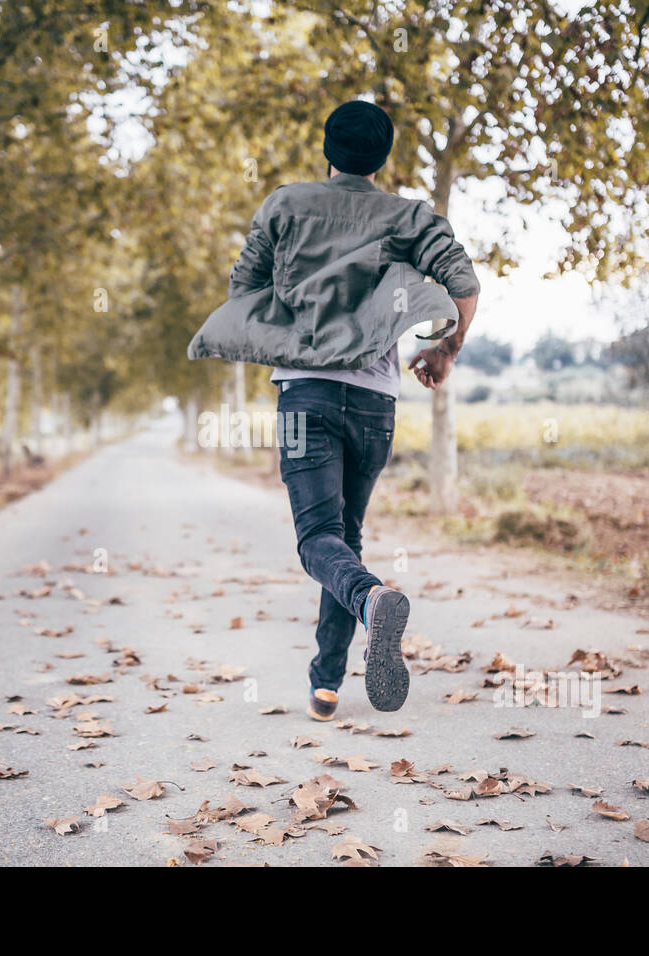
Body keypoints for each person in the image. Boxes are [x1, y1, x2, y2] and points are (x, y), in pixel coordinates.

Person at [188, 100, 480, 719]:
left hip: (305, 397)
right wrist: (444, 350)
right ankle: (326, 683)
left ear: (327, 151)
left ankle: (373, 602)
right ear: (382, 157)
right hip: (375, 401)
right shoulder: (407, 216)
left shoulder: (285, 206)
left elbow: (244, 292)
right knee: (344, 535)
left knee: (319, 538)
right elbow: (464, 284)